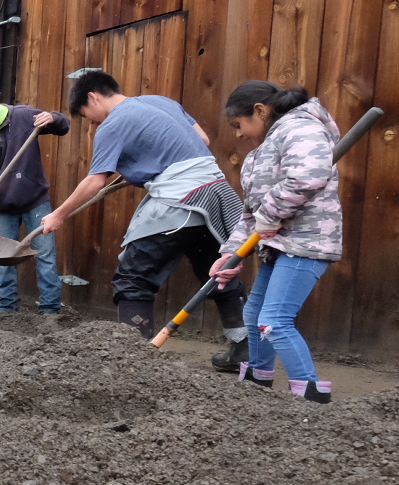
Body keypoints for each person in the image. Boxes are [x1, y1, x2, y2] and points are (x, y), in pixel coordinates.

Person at [39, 69, 246, 356]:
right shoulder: (161, 102)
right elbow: (203, 140)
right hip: (214, 196)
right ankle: (245, 351)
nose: (94, 122)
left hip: (180, 199)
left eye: (89, 116)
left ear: (93, 97)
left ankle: (135, 361)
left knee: (133, 278)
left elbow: (95, 181)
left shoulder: (113, 124)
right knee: (218, 274)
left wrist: (59, 214)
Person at [209, 81, 342, 403]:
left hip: (306, 242)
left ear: (259, 110)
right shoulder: (264, 148)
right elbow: (251, 214)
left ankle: (309, 394)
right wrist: (231, 254)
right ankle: (258, 379)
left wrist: (270, 214)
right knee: (254, 315)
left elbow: (308, 175)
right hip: (280, 245)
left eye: (238, 125)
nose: (239, 134)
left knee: (274, 321)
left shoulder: (300, 128)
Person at [0, 96, 69, 314]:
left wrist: (53, 118)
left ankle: (50, 309)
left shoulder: (21, 116)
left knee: (45, 255)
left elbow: (63, 126)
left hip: (35, 200)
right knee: (3, 258)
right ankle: (7, 308)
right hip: (3, 206)